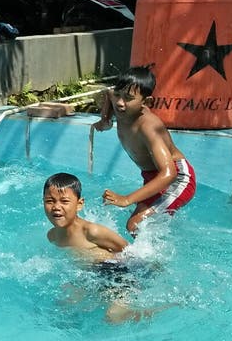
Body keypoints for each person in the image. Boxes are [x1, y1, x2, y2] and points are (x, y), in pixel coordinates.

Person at [92, 65, 196, 233]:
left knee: (135, 225)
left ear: (146, 102)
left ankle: (155, 259)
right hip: (152, 176)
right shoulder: (116, 99)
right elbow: (110, 93)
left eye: (128, 98)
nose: (119, 102)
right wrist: (105, 120)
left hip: (178, 178)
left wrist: (127, 199)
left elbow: (169, 173)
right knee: (137, 225)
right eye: (118, 95)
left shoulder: (149, 127)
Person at [43, 172, 154, 323]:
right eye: (50, 201)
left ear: (79, 204)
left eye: (64, 201)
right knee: (62, 307)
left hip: (117, 273)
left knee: (113, 317)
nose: (56, 207)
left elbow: (129, 250)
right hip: (91, 275)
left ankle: (158, 311)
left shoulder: (91, 231)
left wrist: (149, 270)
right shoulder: (52, 236)